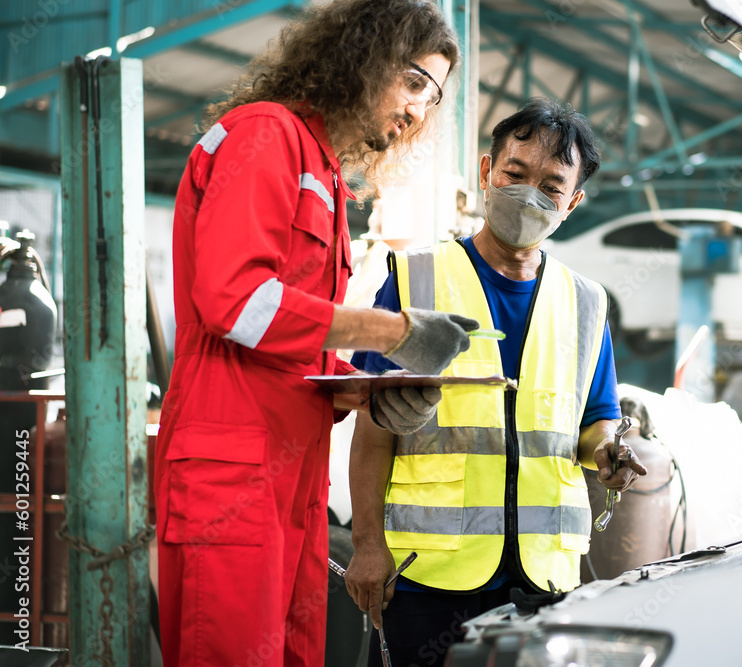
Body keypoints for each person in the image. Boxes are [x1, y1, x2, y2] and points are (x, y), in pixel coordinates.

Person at [153, 2, 478, 666]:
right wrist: (393, 330)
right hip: (233, 479)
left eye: (434, 98)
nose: (418, 109)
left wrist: (363, 391)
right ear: (367, 54)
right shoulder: (265, 136)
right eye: (415, 81)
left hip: (288, 482)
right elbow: (236, 301)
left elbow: (284, 341)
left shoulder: (323, 169)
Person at [346, 98, 649, 666]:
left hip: (541, 581)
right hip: (426, 577)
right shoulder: (416, 281)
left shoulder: (586, 303)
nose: (528, 193)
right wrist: (367, 545)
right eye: (515, 174)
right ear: (487, 172)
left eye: (552, 186)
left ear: (573, 203)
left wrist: (608, 451)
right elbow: (373, 428)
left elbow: (594, 421)